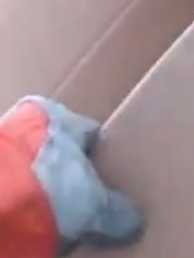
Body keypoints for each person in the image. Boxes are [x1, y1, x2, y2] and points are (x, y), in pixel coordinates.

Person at [0, 96, 143, 257]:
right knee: (44, 111)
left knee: (125, 224)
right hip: (32, 123)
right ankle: (83, 138)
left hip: (61, 201)